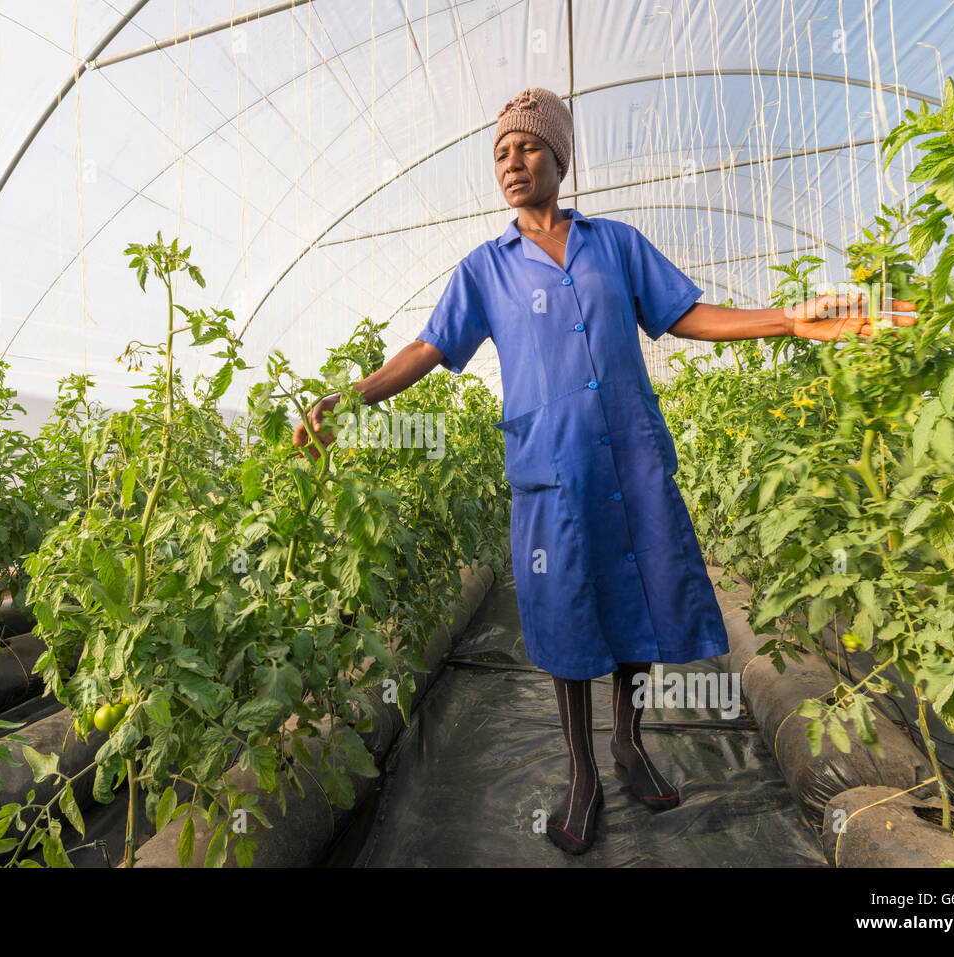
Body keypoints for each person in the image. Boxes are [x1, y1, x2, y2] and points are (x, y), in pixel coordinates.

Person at [293, 87, 917, 856]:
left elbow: (687, 314)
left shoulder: (615, 245)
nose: (511, 163)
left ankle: (628, 740)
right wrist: (353, 396)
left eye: (526, 148)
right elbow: (428, 348)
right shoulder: (486, 268)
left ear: (559, 156)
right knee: (563, 618)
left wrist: (789, 318)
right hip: (552, 472)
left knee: (638, 603)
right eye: (499, 153)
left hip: (632, 456)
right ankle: (582, 771)